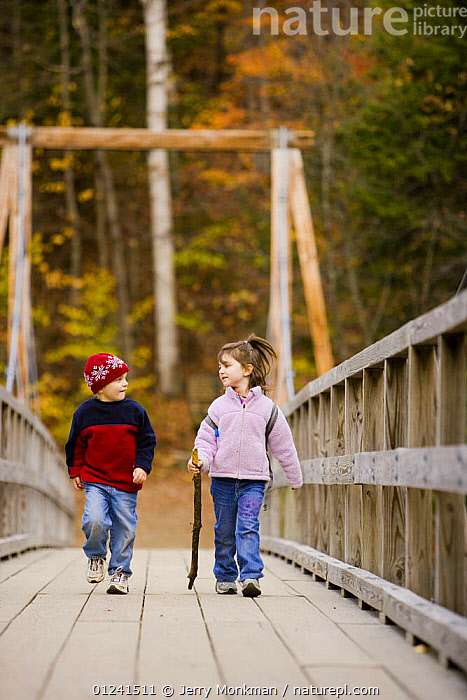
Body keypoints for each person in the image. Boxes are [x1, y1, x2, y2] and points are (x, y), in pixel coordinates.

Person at [188, 334, 302, 597]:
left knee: (248, 526)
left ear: (247, 370)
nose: (221, 371)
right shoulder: (219, 407)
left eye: (227, 365)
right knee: (224, 529)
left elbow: (283, 445)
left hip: (254, 480)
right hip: (223, 480)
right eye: (220, 366)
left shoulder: (267, 409)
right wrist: (201, 460)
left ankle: (251, 576)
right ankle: (225, 575)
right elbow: (206, 440)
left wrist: (294, 477)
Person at [66, 353, 156, 595]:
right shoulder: (84, 413)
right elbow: (75, 445)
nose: (125, 383)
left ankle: (119, 573)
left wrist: (142, 466)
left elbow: (147, 442)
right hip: (95, 479)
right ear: (100, 386)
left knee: (125, 528)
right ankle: (96, 556)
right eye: (118, 379)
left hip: (126, 482)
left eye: (125, 378)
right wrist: (75, 470)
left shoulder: (135, 411)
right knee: (94, 520)